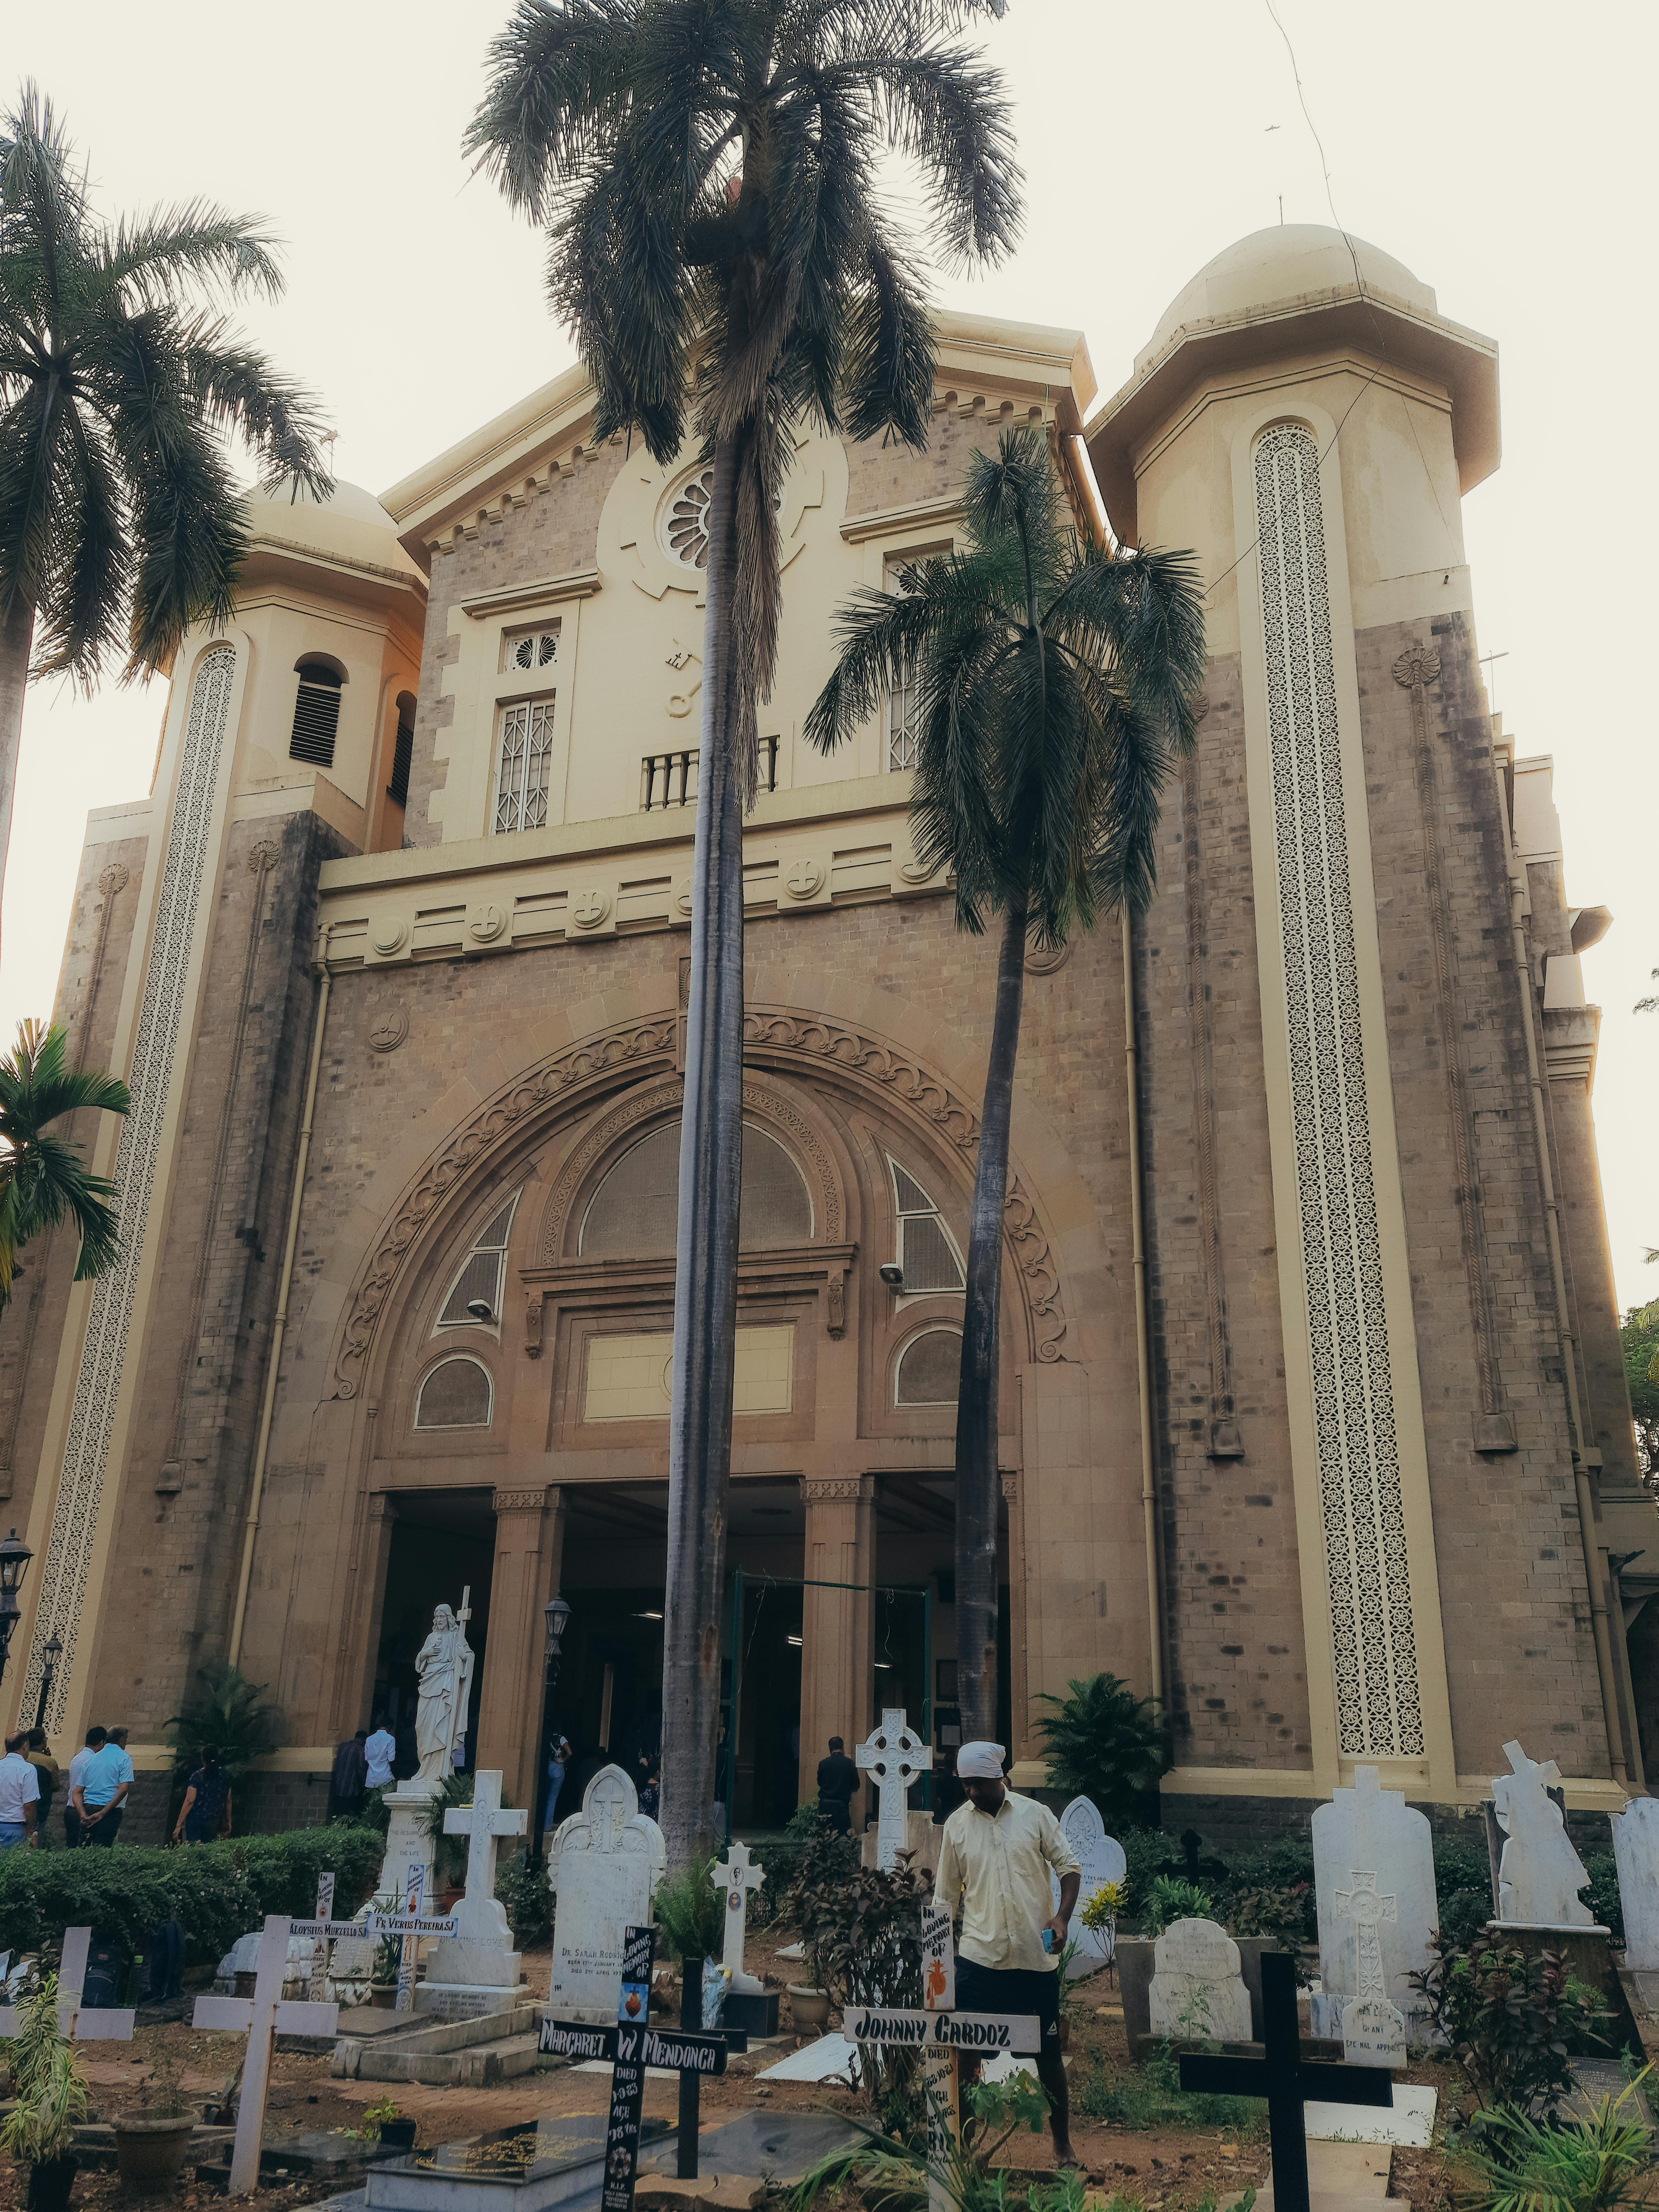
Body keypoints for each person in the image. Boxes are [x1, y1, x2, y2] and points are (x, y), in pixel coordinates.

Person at [933, 1741, 1081, 2168]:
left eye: (979, 1783)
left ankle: (1062, 2145)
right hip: (979, 1961)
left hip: (1035, 1962)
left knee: (1049, 2058)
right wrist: (938, 1970)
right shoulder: (956, 1827)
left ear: (1000, 1778)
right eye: (966, 1785)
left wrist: (1062, 1918)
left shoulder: (1035, 1816)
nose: (973, 1793)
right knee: (968, 2056)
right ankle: (964, 2146)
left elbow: (1068, 1867)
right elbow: (946, 1901)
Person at [75, 1725, 133, 1847]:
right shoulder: (124, 1758)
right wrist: (103, 1813)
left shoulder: (92, 1759)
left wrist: (83, 1814)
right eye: (126, 1739)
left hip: (88, 1809)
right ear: (121, 1739)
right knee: (103, 1852)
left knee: (85, 1849)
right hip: (110, 1812)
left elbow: (77, 1792)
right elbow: (124, 1789)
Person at [172, 1746, 231, 1844]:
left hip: (195, 1820)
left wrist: (179, 1825)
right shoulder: (225, 1775)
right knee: (208, 1850)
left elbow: (190, 1801)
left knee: (194, 1850)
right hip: (214, 1820)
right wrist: (229, 1821)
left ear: (203, 1759)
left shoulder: (197, 1777)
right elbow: (229, 1800)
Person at [0, 1733, 39, 1849]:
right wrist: (31, 1830)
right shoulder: (28, 1769)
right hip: (15, 1827)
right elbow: (29, 1806)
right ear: (25, 1745)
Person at [65, 1727, 103, 1849]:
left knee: (71, 1847)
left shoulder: (77, 1758)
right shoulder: (93, 1760)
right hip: (84, 1810)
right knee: (85, 1848)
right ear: (102, 1743)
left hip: (71, 1808)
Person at [815, 1735, 859, 1834]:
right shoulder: (849, 1764)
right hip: (842, 1806)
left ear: (830, 1748)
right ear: (843, 1747)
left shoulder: (824, 1763)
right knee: (843, 1837)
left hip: (825, 1805)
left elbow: (820, 1782)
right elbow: (856, 1785)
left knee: (824, 1836)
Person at [23, 1731, 58, 1838]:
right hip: (40, 1810)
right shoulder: (49, 1762)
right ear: (43, 1741)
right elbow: (55, 1785)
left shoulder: (22, 1759)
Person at [330, 1730, 368, 1821]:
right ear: (363, 1740)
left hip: (339, 1785)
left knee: (340, 1812)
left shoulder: (342, 1747)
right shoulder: (360, 1751)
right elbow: (361, 1770)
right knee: (351, 1814)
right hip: (352, 1787)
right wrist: (363, 1784)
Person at [543, 1729, 572, 1830]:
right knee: (552, 1799)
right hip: (557, 1768)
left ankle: (542, 1824)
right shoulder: (561, 1738)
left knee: (545, 1797)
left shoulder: (546, 1738)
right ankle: (547, 1826)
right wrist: (563, 1761)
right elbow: (570, 1753)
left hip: (547, 1767)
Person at [364, 1718, 396, 1792]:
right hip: (386, 1777)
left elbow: (366, 1758)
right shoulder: (391, 1739)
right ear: (390, 1726)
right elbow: (392, 1759)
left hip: (371, 1778)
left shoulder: (369, 1739)